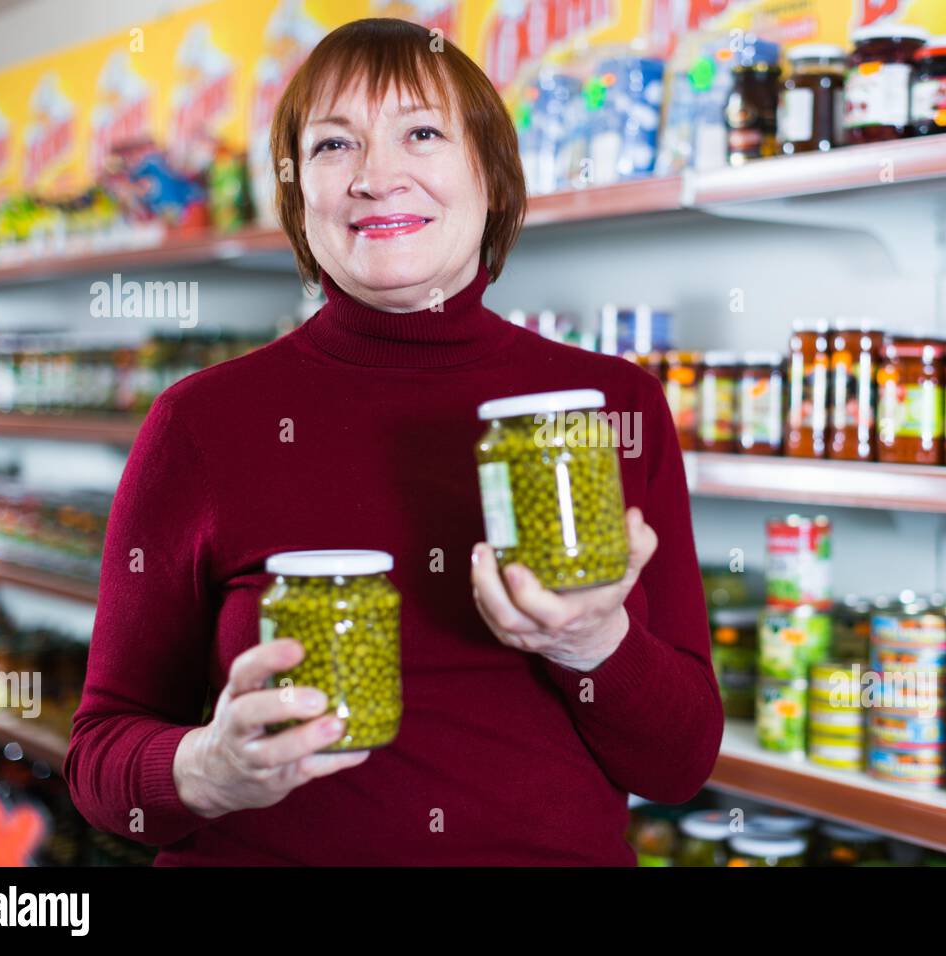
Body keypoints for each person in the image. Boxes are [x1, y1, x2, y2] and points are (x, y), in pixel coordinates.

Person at [64, 17, 722, 865]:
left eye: (421, 132)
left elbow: (679, 766)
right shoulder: (198, 423)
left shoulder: (609, 408)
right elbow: (100, 766)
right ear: (301, 190)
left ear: (491, 169)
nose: (377, 178)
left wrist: (591, 645)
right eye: (336, 145)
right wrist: (210, 768)